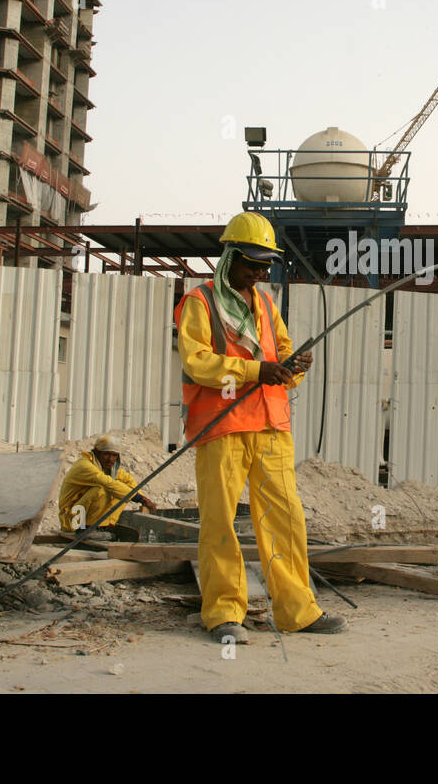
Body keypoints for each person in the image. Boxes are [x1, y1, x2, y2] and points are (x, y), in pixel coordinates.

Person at [175, 211, 345, 644]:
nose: (260, 271)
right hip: (223, 426)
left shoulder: (266, 304)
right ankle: (223, 612)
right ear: (230, 255)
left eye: (265, 264)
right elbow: (196, 361)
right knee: (220, 523)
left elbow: (282, 351)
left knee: (285, 519)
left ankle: (296, 611)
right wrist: (256, 371)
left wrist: (294, 365)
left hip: (271, 426)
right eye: (252, 262)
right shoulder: (200, 301)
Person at [58, 434, 157, 539]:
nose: (111, 459)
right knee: (104, 489)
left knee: (123, 489)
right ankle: (85, 529)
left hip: (81, 515)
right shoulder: (85, 466)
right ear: (97, 452)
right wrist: (140, 499)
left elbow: (128, 481)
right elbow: (108, 483)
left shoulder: (106, 468)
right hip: (71, 519)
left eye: (114, 455)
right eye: (107, 454)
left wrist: (145, 500)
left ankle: (104, 525)